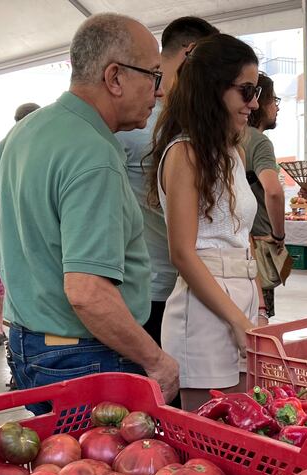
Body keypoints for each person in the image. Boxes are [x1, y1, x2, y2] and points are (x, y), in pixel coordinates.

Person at [0, 13, 179, 404]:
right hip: (85, 356)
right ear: (114, 77)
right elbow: (87, 292)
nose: (159, 92)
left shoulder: (31, 128)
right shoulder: (94, 155)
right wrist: (157, 360)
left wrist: (7, 255)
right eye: (153, 76)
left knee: (53, 462)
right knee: (96, 466)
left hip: (29, 345)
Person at [149, 33, 263, 411]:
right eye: (247, 90)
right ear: (214, 89)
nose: (255, 102)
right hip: (204, 306)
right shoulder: (184, 153)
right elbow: (182, 253)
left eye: (257, 89)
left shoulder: (233, 152)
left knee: (247, 422)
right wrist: (236, 320)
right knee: (210, 433)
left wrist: (258, 308)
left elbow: (244, 237)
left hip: (243, 299)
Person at [116, 16, 218, 346]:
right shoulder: (138, 123)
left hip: (187, 284)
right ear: (191, 53)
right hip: (156, 286)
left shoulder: (189, 121)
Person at [245, 73, 286, 320]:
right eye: (274, 99)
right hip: (259, 241)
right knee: (260, 318)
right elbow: (273, 191)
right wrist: (279, 234)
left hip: (235, 244)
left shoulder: (226, 138)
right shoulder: (259, 142)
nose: (276, 106)